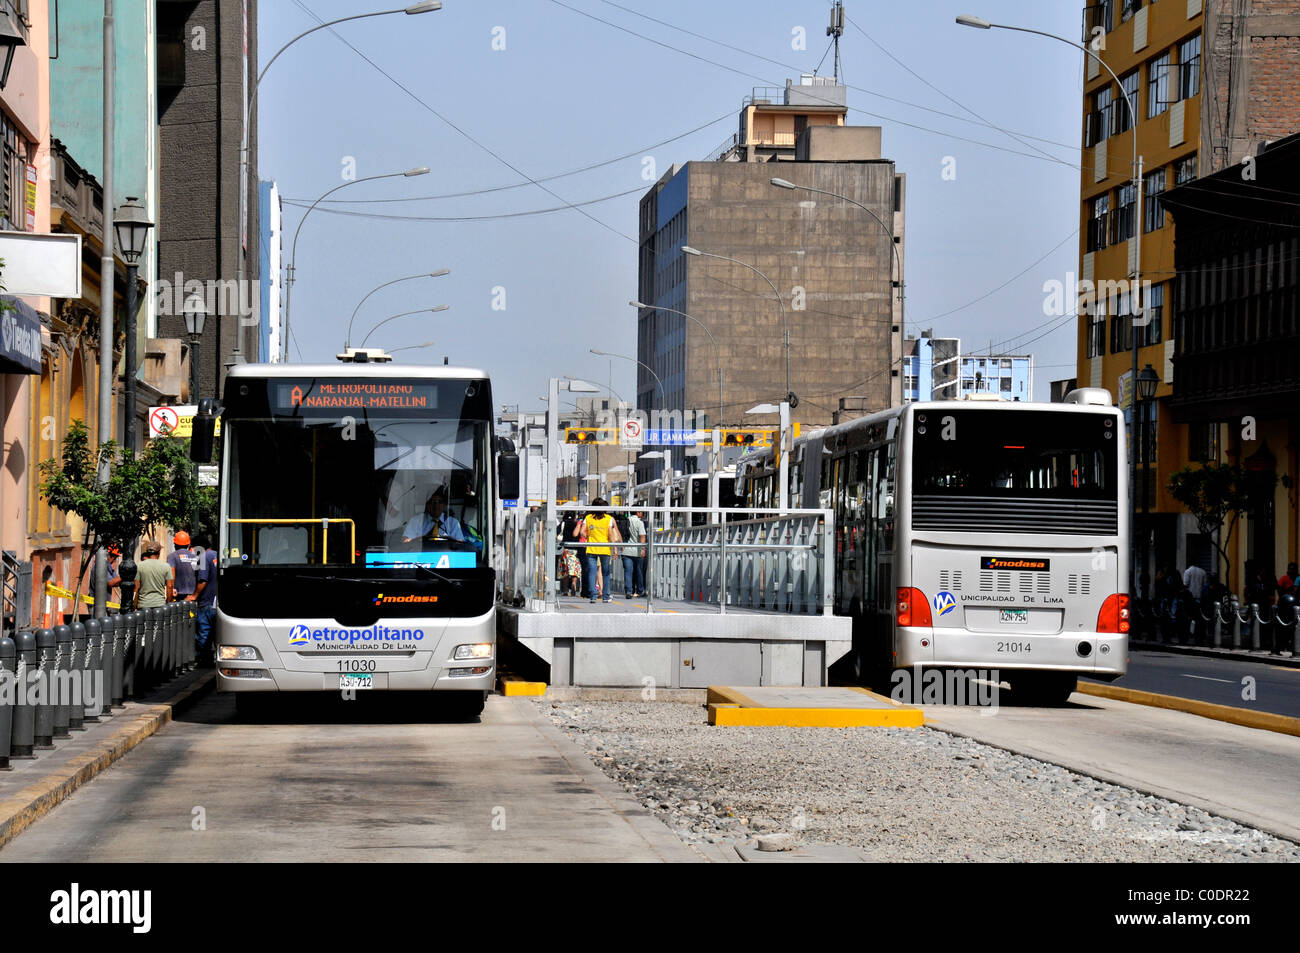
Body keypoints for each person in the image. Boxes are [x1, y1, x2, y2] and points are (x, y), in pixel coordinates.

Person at [582, 498, 620, 604]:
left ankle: (593, 596)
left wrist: (588, 537)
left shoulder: (588, 518)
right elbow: (611, 535)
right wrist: (615, 549)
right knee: (606, 573)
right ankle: (605, 596)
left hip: (591, 548)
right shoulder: (608, 518)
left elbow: (582, 532)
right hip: (605, 548)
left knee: (592, 572)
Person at [193, 537, 219, 664]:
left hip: (206, 602)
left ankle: (205, 661)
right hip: (218, 602)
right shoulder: (217, 555)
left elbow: (202, 580)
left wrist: (194, 595)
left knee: (204, 632)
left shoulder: (203, 557)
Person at [136, 539, 173, 609]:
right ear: (158, 553)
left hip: (143, 604)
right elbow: (170, 586)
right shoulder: (166, 566)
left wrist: (134, 604)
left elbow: (136, 587)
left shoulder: (139, 566)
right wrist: (169, 602)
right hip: (160, 604)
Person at [168, 531, 201, 602]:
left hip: (177, 594)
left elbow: (171, 575)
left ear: (175, 544)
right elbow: (199, 575)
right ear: (188, 544)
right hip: (192, 595)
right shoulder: (195, 557)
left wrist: (170, 591)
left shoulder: (172, 556)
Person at [623, 509, 646, 598]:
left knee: (628, 572)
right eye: (641, 512)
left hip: (625, 550)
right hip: (637, 551)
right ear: (638, 512)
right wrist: (643, 549)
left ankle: (629, 591)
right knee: (639, 571)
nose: (642, 513)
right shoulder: (639, 523)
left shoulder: (626, 521)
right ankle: (640, 591)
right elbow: (642, 536)